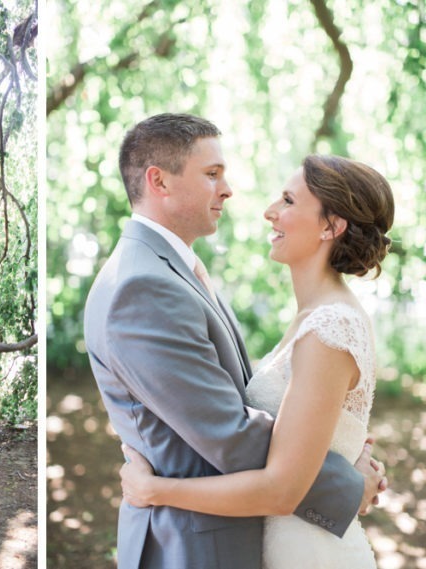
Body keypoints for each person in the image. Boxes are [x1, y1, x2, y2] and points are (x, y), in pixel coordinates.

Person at [82, 113, 385, 569]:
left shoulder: (171, 272)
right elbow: (232, 435)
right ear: (158, 181)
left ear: (332, 226)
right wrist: (347, 486)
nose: (229, 190)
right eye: (212, 174)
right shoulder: (143, 287)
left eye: (287, 200)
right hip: (195, 547)